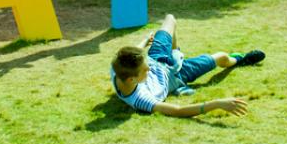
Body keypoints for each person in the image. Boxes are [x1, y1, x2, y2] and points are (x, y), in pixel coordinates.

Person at [111, 14, 264, 117]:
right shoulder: (141, 100)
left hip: (157, 57)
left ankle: (175, 53)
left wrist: (145, 41)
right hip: (176, 76)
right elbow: (179, 110)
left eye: (146, 66)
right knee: (222, 57)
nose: (148, 69)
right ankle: (240, 60)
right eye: (145, 70)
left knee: (170, 19)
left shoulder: (118, 66)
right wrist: (217, 103)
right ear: (132, 79)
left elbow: (133, 53)